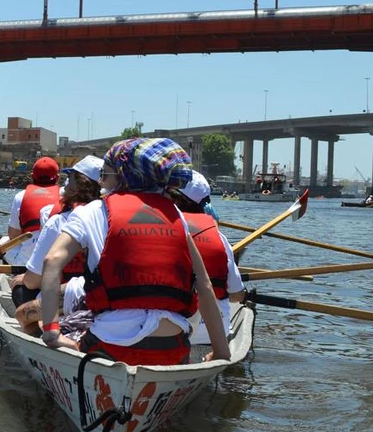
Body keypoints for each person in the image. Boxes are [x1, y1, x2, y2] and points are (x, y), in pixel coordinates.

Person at [20, 137, 230, 365]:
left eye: (105, 174)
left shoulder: (92, 211)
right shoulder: (174, 213)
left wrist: (52, 332)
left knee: (61, 325)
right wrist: (221, 352)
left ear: (122, 176)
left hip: (111, 348)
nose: (101, 181)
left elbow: (52, 260)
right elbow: (204, 284)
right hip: (172, 347)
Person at [8, 155, 103, 335]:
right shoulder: (110, 220)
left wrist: (23, 279)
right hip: (101, 296)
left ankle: (37, 336)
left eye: (71, 178)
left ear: (74, 186)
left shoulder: (57, 221)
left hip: (71, 298)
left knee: (21, 289)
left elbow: (33, 281)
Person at [170, 171, 243, 345]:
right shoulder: (219, 237)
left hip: (172, 330)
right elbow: (237, 296)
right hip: (212, 334)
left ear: (176, 200)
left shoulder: (160, 231)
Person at [5, 157, 63, 263]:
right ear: (58, 178)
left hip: (27, 261)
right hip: (56, 261)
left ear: (32, 176)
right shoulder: (65, 197)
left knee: (4, 242)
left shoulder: (20, 197)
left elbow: (13, 236)